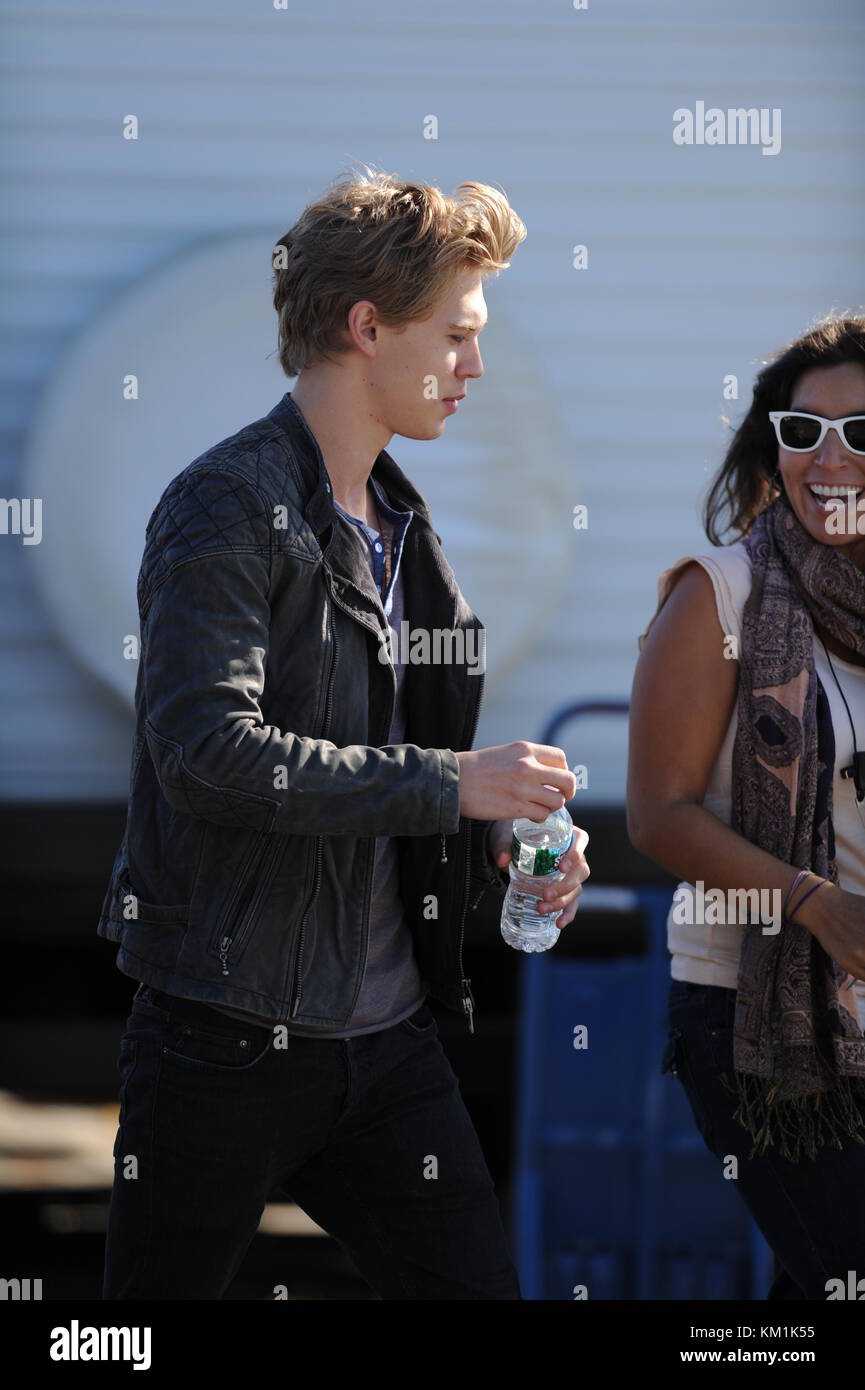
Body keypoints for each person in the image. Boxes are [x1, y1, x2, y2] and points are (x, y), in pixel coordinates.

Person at [98, 167, 591, 1300]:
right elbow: (210, 758)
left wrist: (513, 848)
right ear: (367, 325)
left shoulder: (406, 530)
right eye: (457, 334)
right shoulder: (224, 507)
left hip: (389, 1051)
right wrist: (452, 782)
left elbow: (398, 788)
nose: (476, 365)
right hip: (221, 1039)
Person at [628, 313, 865, 1299]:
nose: (828, 459)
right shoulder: (720, 595)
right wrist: (816, 904)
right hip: (752, 1011)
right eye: (802, 432)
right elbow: (659, 813)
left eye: (859, 431)